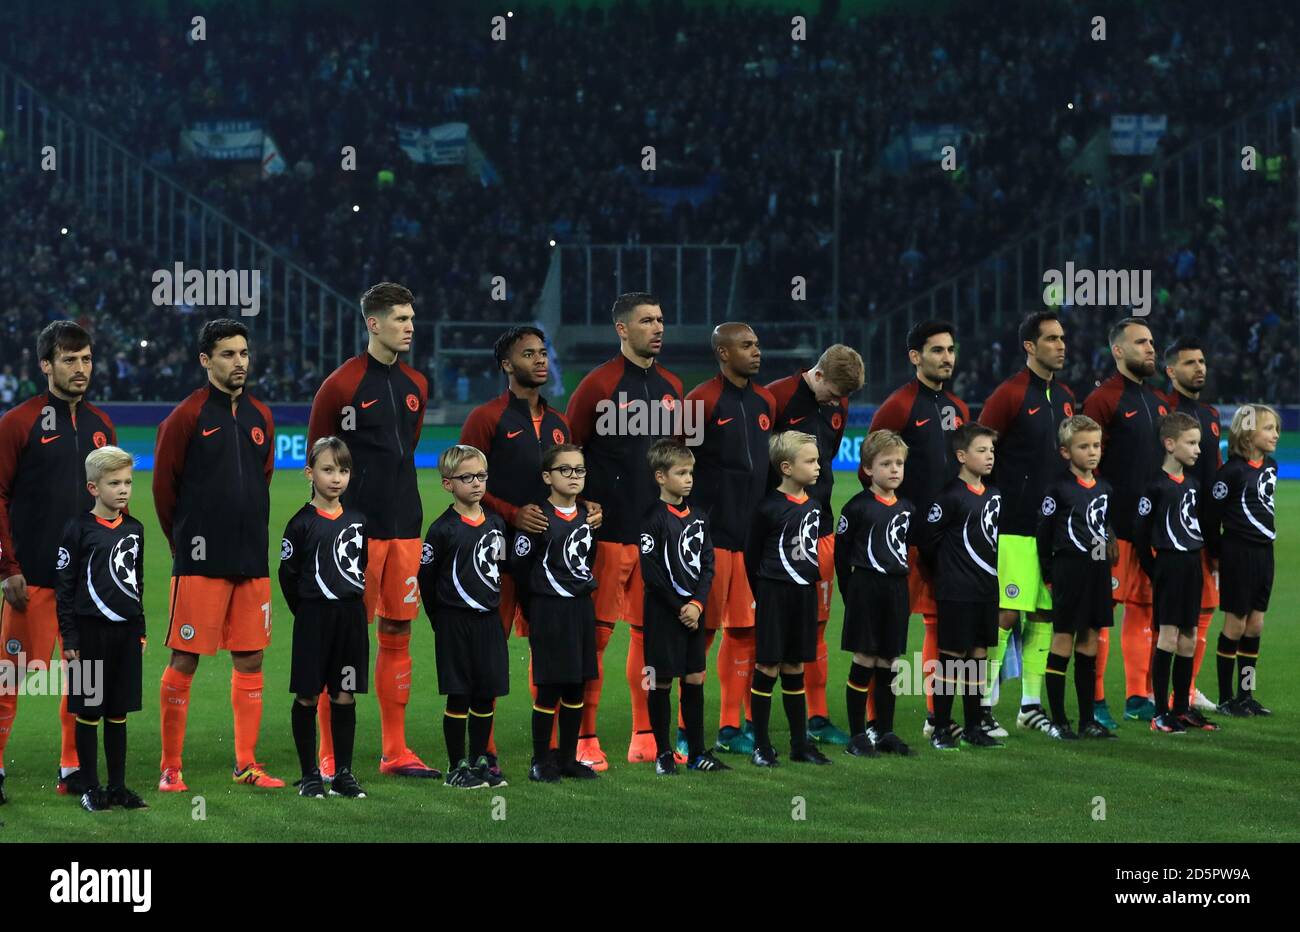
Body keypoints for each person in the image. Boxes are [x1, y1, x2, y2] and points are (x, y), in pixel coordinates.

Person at [307, 282, 438, 780]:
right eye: (400, 319)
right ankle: (329, 754)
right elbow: (321, 460)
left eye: (411, 318)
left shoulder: (416, 385)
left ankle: (395, 750)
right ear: (373, 323)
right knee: (343, 638)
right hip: (352, 535)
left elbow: (407, 448)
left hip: (405, 527)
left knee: (398, 631)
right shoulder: (341, 387)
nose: (408, 327)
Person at [154, 318, 284, 791]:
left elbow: (262, 478)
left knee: (250, 660)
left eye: (244, 353)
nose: (239, 362)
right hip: (199, 561)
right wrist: (185, 541)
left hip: (251, 558)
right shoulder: (186, 417)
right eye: (228, 354)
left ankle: (246, 764)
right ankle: (171, 767)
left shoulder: (261, 416)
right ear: (206, 360)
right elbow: (164, 490)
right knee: (185, 658)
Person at [460, 326, 597, 772]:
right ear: (506, 365)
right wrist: (511, 512)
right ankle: (486, 750)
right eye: (528, 354)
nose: (540, 361)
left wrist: (586, 505)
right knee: (491, 650)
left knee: (556, 653)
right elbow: (465, 485)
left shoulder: (559, 423)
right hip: (498, 554)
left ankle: (554, 753)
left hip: (551, 561)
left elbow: (568, 482)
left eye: (543, 353)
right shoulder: (486, 418)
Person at [0, 321, 117, 804]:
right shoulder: (18, 423)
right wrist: (8, 567)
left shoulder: (101, 427)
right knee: (10, 677)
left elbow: (113, 506)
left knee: (82, 679)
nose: (80, 369)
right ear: (46, 364)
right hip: (34, 578)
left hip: (86, 584)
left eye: (86, 359)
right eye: (69, 360)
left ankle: (73, 768)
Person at [566, 293, 683, 767]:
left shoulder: (673, 385)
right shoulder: (597, 386)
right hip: (608, 534)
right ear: (621, 329)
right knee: (595, 638)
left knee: (649, 636)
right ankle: (583, 738)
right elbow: (567, 454)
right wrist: (581, 505)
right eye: (646, 321)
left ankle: (646, 736)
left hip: (657, 536)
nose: (657, 328)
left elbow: (677, 461)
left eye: (660, 319)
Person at [864, 320, 969, 742]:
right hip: (901, 541)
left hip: (946, 543)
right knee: (887, 632)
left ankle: (934, 717)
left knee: (940, 626)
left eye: (950, 350)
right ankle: (875, 723)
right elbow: (868, 468)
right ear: (915, 357)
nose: (947, 358)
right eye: (937, 350)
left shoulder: (959, 409)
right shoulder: (898, 406)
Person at [978, 311, 1076, 737]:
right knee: (1006, 613)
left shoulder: (1069, 397)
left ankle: (1030, 706)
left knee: (1044, 613)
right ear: (1030, 347)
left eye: (1063, 338)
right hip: (1015, 524)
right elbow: (978, 450)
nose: (1061, 345)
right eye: (1051, 339)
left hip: (1054, 529)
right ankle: (982, 706)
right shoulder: (1010, 395)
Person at [766, 344, 865, 747]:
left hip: (819, 531)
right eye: (833, 392)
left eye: (844, 396)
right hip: (778, 531)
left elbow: (822, 468)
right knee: (760, 631)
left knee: (816, 627)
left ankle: (818, 717)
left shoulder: (837, 407)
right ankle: (735, 724)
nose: (836, 402)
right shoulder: (776, 397)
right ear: (818, 375)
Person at [684, 323, 775, 755]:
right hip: (710, 538)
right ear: (723, 352)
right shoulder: (701, 401)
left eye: (756, 345)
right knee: (700, 631)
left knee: (746, 633)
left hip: (752, 539)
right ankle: (686, 727)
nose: (756, 352)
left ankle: (728, 726)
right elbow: (672, 461)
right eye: (746, 345)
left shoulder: (765, 401)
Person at [1082, 318, 1167, 729]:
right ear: (1118, 351)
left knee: (1144, 610)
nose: (1151, 348)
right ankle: (1095, 700)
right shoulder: (1103, 400)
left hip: (1150, 532)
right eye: (1140, 342)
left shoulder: (1159, 401)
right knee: (1101, 613)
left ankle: (1138, 695)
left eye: (1151, 341)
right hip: (1111, 529)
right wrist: (1102, 525)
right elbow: (1086, 466)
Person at [56, 445, 148, 812]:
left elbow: (136, 583)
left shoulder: (135, 528)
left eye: (127, 482)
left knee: (118, 710)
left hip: (125, 633)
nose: (123, 489)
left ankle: (118, 787)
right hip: (89, 634)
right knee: (89, 710)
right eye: (114, 483)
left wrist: (139, 628)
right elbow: (65, 588)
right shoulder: (77, 529)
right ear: (94, 488)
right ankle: (91, 787)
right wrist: (70, 637)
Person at [280, 436, 370, 800]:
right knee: (307, 694)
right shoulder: (300, 524)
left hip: (350, 619)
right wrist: (308, 612)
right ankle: (309, 774)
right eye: (328, 469)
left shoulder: (358, 520)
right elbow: (288, 576)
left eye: (343, 470)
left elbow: (359, 569)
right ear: (310, 473)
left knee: (345, 693)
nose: (336, 478)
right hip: (313, 620)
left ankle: (343, 773)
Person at [418, 444, 511, 789]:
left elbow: (499, 567)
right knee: (459, 694)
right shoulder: (442, 529)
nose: (476, 483)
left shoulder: (497, 523)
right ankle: (456, 766)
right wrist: (440, 618)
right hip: (454, 622)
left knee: (486, 693)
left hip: (488, 620)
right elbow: (426, 578)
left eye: (481, 476)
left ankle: (479, 760)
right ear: (448, 484)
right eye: (467, 477)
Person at [508, 444, 600, 783]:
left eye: (580, 470)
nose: (574, 476)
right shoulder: (537, 519)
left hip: (579, 609)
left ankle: (567, 758)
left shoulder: (588, 517)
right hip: (548, 610)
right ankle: (540, 760)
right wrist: (536, 606)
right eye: (566, 470)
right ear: (547, 476)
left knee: (576, 686)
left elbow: (587, 561)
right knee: (549, 688)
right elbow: (520, 565)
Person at [640, 439, 728, 775]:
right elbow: (652, 573)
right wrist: (681, 607)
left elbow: (708, 564)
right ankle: (663, 753)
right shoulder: (652, 518)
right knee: (661, 680)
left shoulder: (700, 518)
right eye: (681, 473)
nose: (689, 479)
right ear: (661, 477)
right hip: (665, 613)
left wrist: (697, 603)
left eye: (691, 472)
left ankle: (697, 752)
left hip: (693, 612)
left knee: (694, 677)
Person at [744, 431, 831, 767]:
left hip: (803, 595)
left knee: (795, 666)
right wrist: (765, 593)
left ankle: (800, 743)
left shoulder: (814, 504)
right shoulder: (767, 508)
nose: (818, 467)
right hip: (774, 592)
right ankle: (761, 746)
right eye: (810, 461)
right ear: (786, 467)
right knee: (768, 665)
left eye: (817, 460)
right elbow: (752, 557)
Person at [918, 423, 1003, 751]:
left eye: (992, 451)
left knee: (978, 655)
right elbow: (928, 541)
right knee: (953, 658)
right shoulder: (950, 496)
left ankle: (973, 727)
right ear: (961, 456)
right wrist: (948, 572)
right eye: (981, 451)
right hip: (956, 591)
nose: (989, 457)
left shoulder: (994, 495)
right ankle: (941, 727)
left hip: (986, 589)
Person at [1034, 415, 1118, 739]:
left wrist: (1107, 554)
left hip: (1097, 571)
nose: (1092, 452)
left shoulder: (1105, 488)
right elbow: (1044, 531)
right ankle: (1059, 721)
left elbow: (1103, 528)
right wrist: (1049, 572)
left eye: (1096, 445)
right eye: (1084, 446)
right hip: (1068, 570)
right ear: (1066, 452)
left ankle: (1087, 720)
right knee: (1064, 639)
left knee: (1090, 642)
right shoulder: (1057, 489)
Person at [1134, 412, 1218, 733]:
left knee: (1189, 636)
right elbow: (1140, 532)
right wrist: (1153, 569)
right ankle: (1159, 713)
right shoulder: (1155, 486)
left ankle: (1182, 708)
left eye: (1198, 443)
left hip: (1191, 565)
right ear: (1170, 444)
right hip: (1168, 564)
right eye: (1192, 443)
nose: (1198, 450)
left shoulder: (1193, 484)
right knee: (1168, 636)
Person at [835, 429, 914, 757]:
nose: (894, 469)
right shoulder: (857, 507)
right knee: (865, 658)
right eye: (886, 464)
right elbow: (841, 554)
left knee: (890, 660)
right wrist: (849, 592)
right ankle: (857, 735)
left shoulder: (907, 507)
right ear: (868, 468)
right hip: (865, 587)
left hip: (896, 589)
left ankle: (885, 730)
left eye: (899, 463)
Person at [1159, 338, 1222, 713]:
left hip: (1205, 530)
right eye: (1189, 363)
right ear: (1171, 371)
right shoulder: (1161, 409)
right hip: (1171, 531)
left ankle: (1187, 690)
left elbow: (1213, 477)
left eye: (1202, 361)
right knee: (1160, 613)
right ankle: (1142, 693)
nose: (1199, 368)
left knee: (1205, 609)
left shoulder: (1212, 415)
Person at [1204, 404, 1280, 717]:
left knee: (1256, 624)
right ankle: (1226, 698)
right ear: (1248, 434)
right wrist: (1218, 554)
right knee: (1235, 624)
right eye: (1268, 428)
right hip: (1238, 554)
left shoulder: (1271, 466)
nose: (1275, 434)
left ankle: (1246, 694)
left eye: (1276, 428)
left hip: (1265, 552)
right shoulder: (1231, 472)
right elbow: (1210, 518)